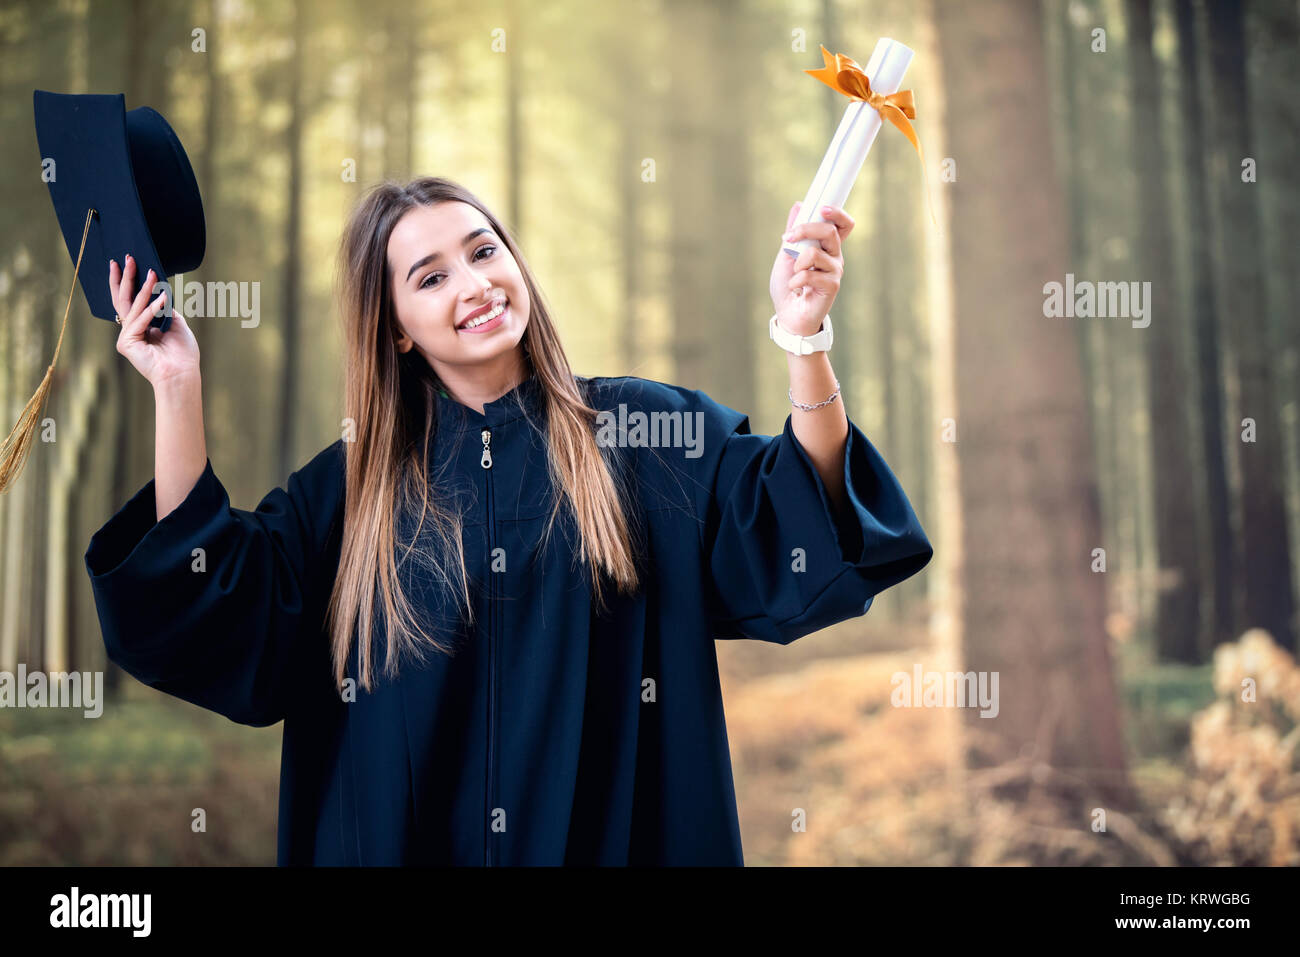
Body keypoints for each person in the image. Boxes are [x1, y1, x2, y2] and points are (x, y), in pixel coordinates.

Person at [84, 176, 933, 865]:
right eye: (431, 276)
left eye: (483, 251)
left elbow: (802, 513)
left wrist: (802, 335)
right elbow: (211, 597)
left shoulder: (640, 437)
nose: (475, 283)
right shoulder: (352, 496)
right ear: (399, 331)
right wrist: (176, 388)